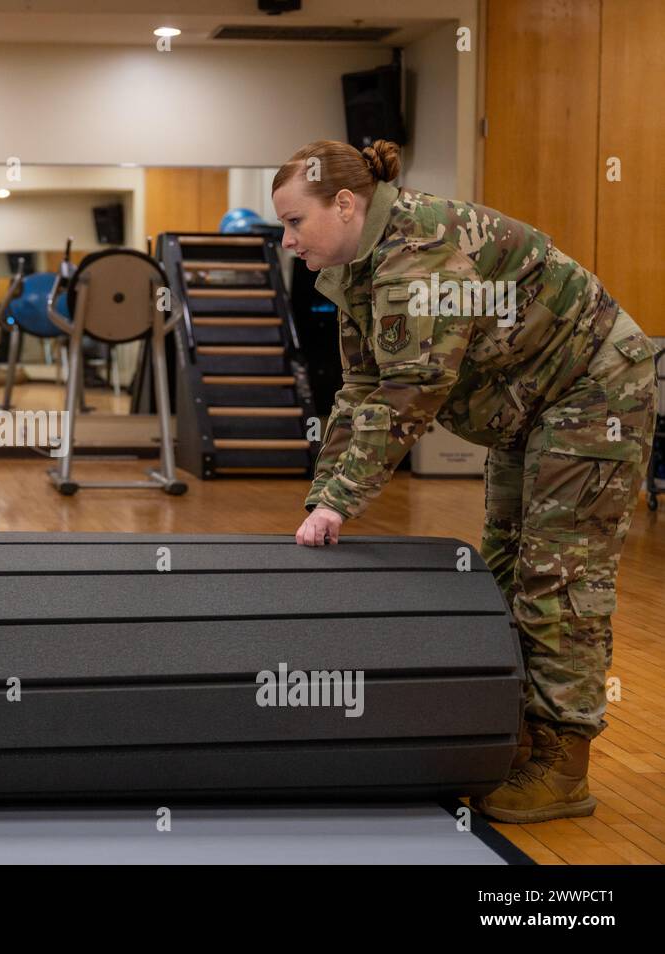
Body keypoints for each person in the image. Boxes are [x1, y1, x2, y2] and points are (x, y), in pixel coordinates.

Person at [272, 139, 657, 823]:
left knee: (558, 578)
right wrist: (321, 500)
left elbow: (413, 389)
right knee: (505, 564)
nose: (288, 238)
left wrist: (339, 503)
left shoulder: (418, 255)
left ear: (344, 204)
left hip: (592, 395)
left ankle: (564, 764)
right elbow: (362, 388)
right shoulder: (358, 263)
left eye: (295, 221)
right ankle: (523, 736)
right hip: (528, 406)